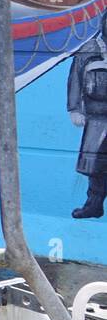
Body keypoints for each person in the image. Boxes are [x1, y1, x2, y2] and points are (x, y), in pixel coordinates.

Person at [68, 14, 107, 219]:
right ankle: (94, 205)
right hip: (96, 116)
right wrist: (74, 109)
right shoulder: (89, 49)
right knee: (95, 166)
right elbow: (75, 77)